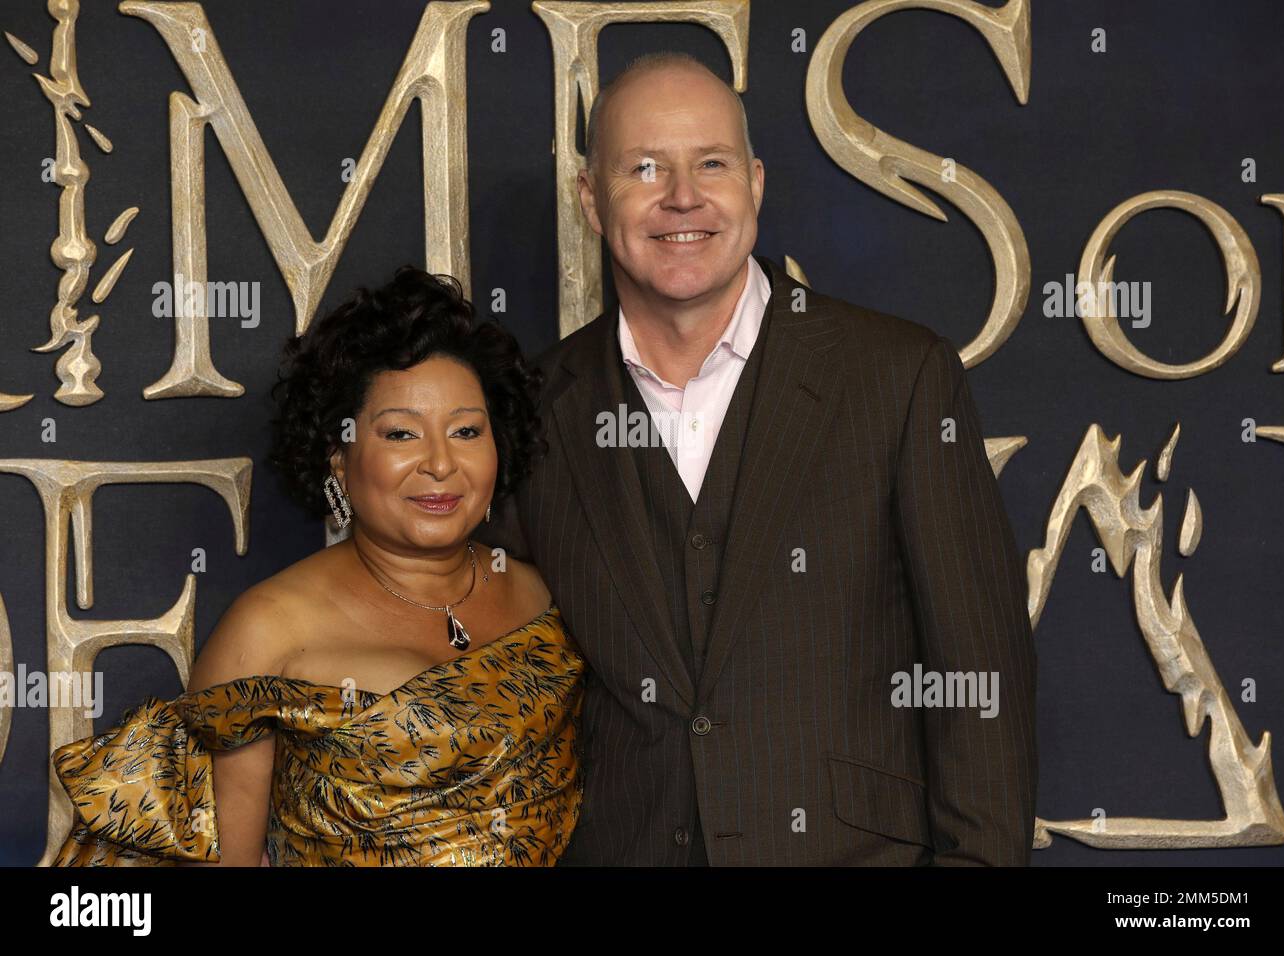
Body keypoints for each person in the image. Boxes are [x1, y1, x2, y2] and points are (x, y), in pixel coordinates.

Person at [476, 51, 1039, 865]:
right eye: (644, 168)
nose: (682, 197)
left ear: (757, 184)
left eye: (712, 163)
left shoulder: (898, 377)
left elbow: (978, 679)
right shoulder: (533, 410)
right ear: (591, 200)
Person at [52, 267, 585, 866]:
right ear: (339, 457)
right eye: (402, 434)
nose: (440, 463)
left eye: (466, 431)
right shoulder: (269, 630)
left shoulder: (543, 595)